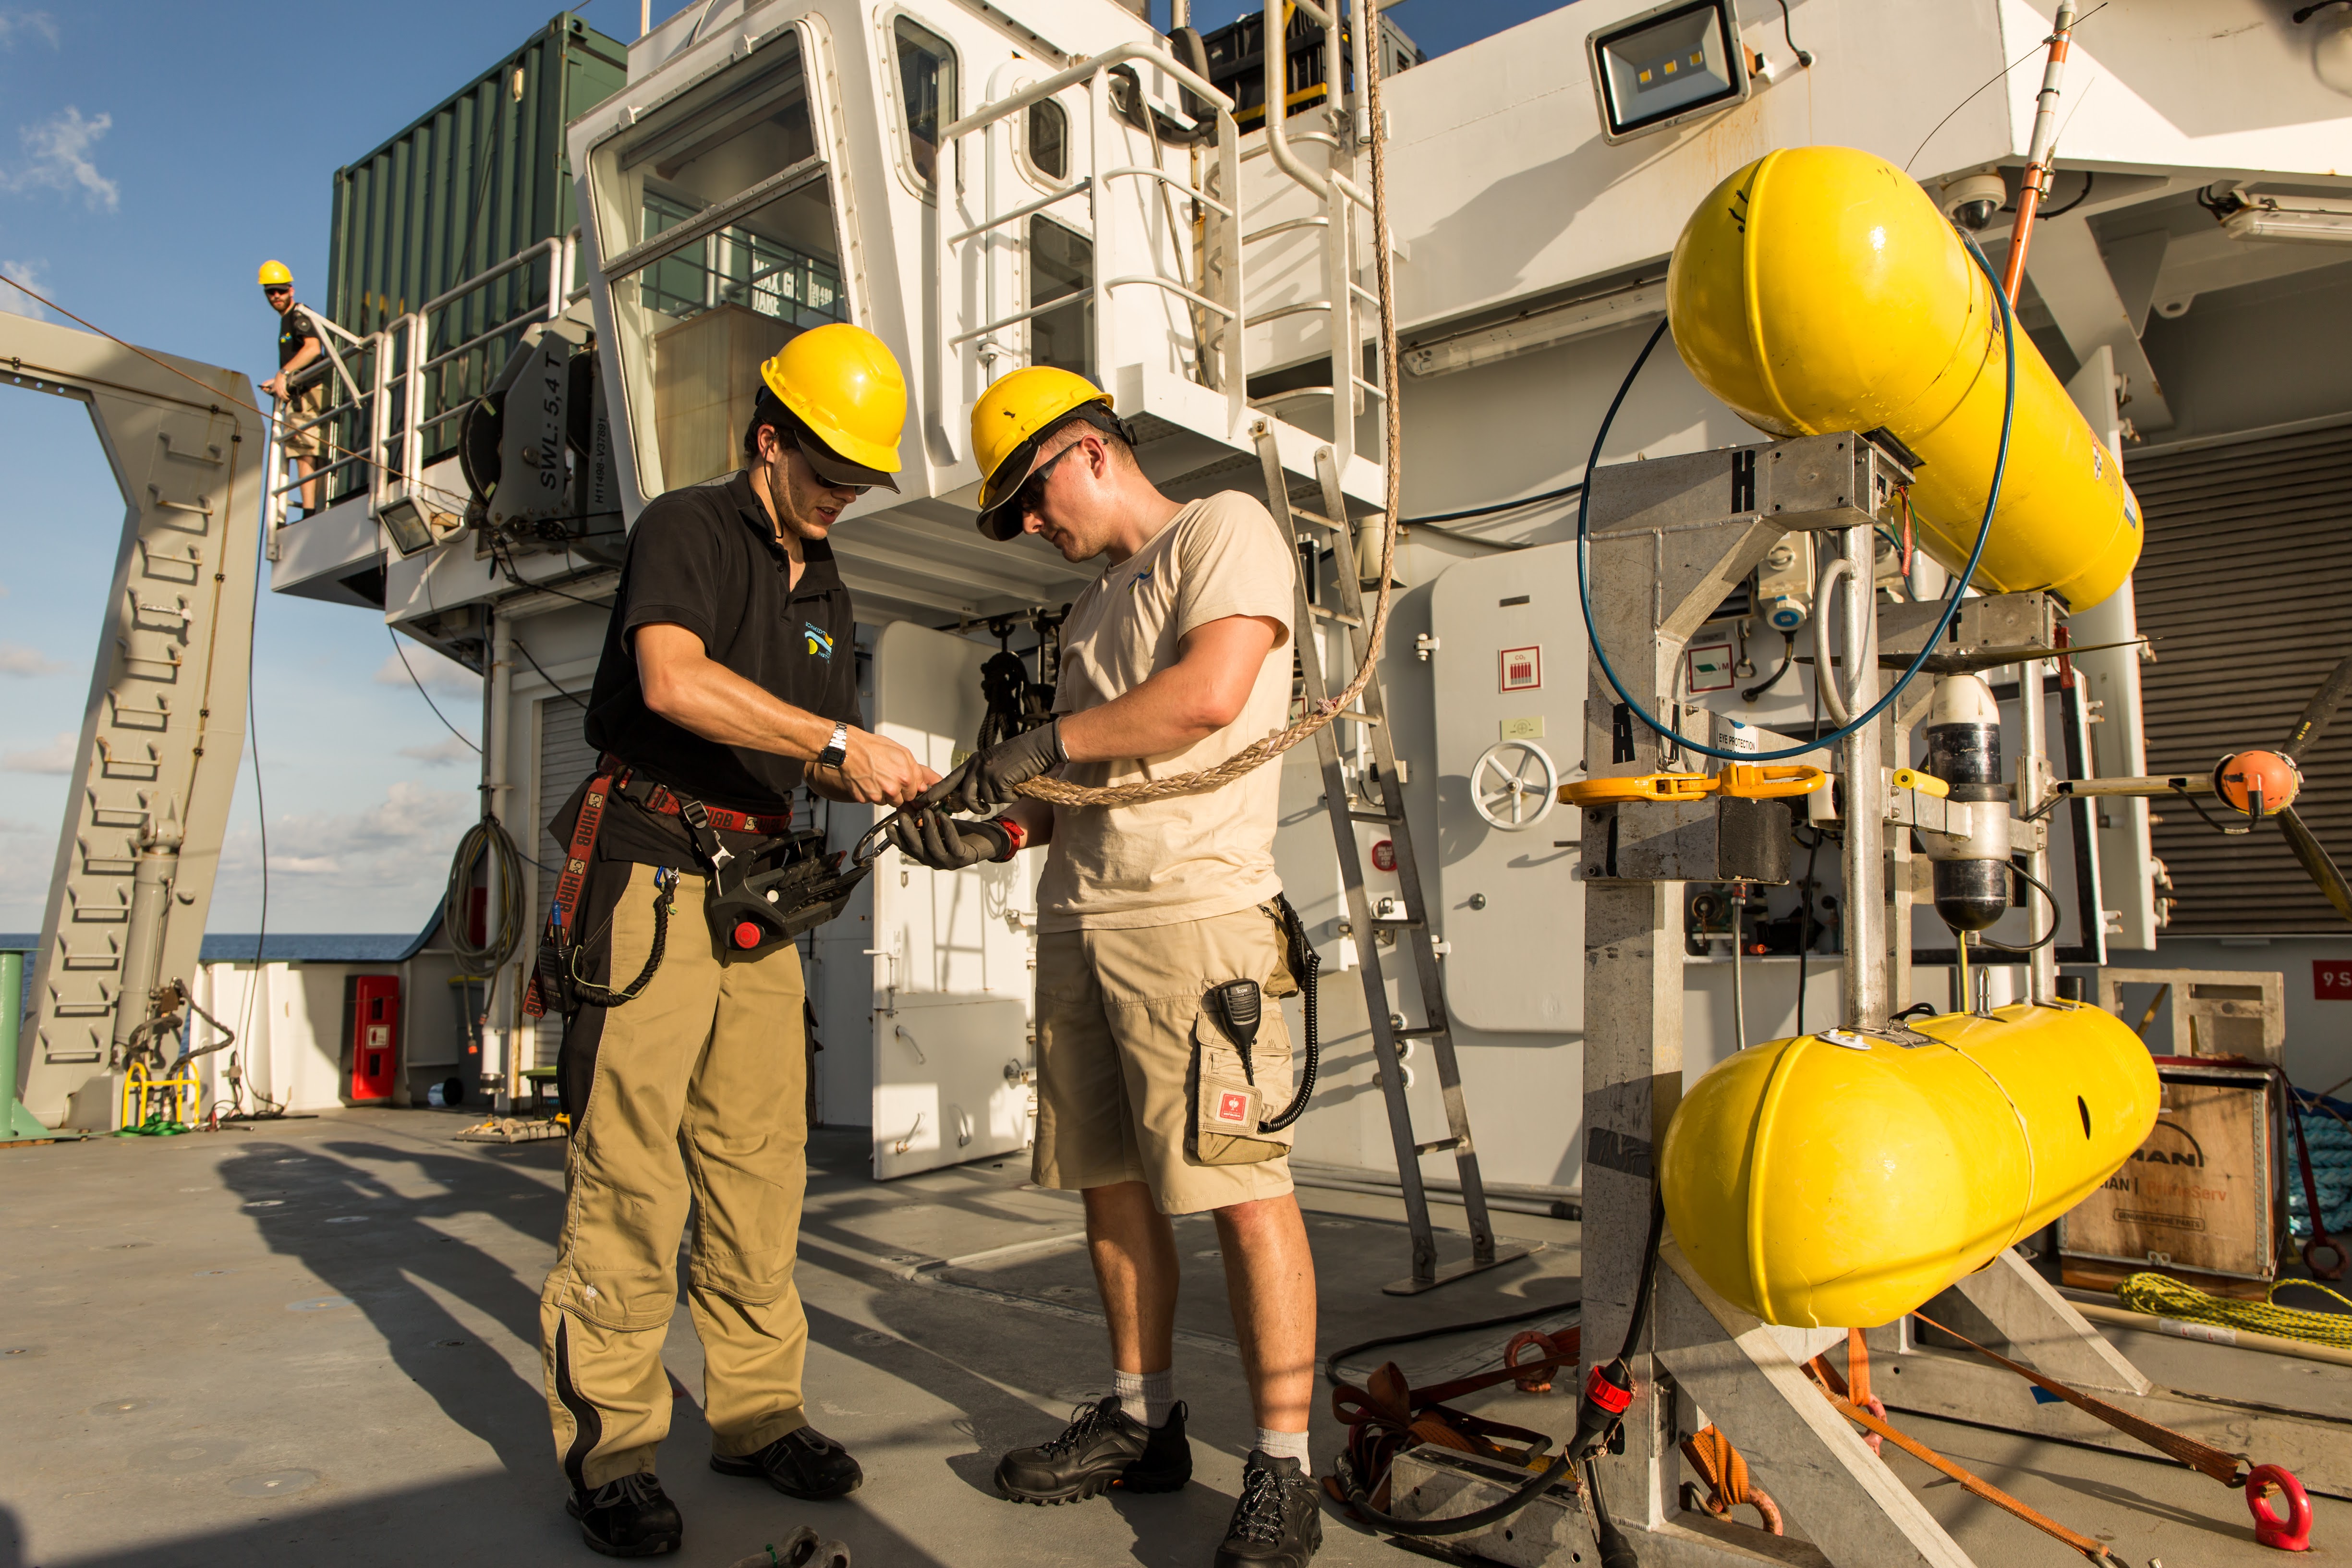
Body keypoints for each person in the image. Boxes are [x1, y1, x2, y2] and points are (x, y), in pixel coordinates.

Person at [891, 365, 1324, 1568]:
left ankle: (1285, 1470)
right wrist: (994, 824)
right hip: (1082, 919)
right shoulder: (1090, 614)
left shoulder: (1221, 530)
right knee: (1109, 1184)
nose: (1033, 523)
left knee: (1241, 1188)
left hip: (1195, 923)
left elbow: (1206, 696)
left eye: (1030, 495)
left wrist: (1036, 739)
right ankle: (1140, 1419)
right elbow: (1084, 779)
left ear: (1087, 449)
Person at [536, 323, 939, 1558]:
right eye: (825, 479)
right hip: (652, 877)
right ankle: (610, 1446)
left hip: (757, 895)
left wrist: (919, 797)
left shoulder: (825, 575)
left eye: (856, 488)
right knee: (632, 1168)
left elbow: (813, 740)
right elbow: (671, 681)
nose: (837, 506)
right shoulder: (687, 527)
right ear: (768, 442)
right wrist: (838, 745)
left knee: (760, 1163)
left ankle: (758, 1413)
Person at [255, 260, 325, 515]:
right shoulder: (287, 320)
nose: (276, 296)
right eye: (270, 292)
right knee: (302, 449)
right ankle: (309, 509)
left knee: (305, 450)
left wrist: (283, 374)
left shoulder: (299, 315)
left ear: (291, 290)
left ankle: (309, 512)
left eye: (280, 291)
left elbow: (313, 348)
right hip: (301, 393)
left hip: (308, 395)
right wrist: (277, 381)